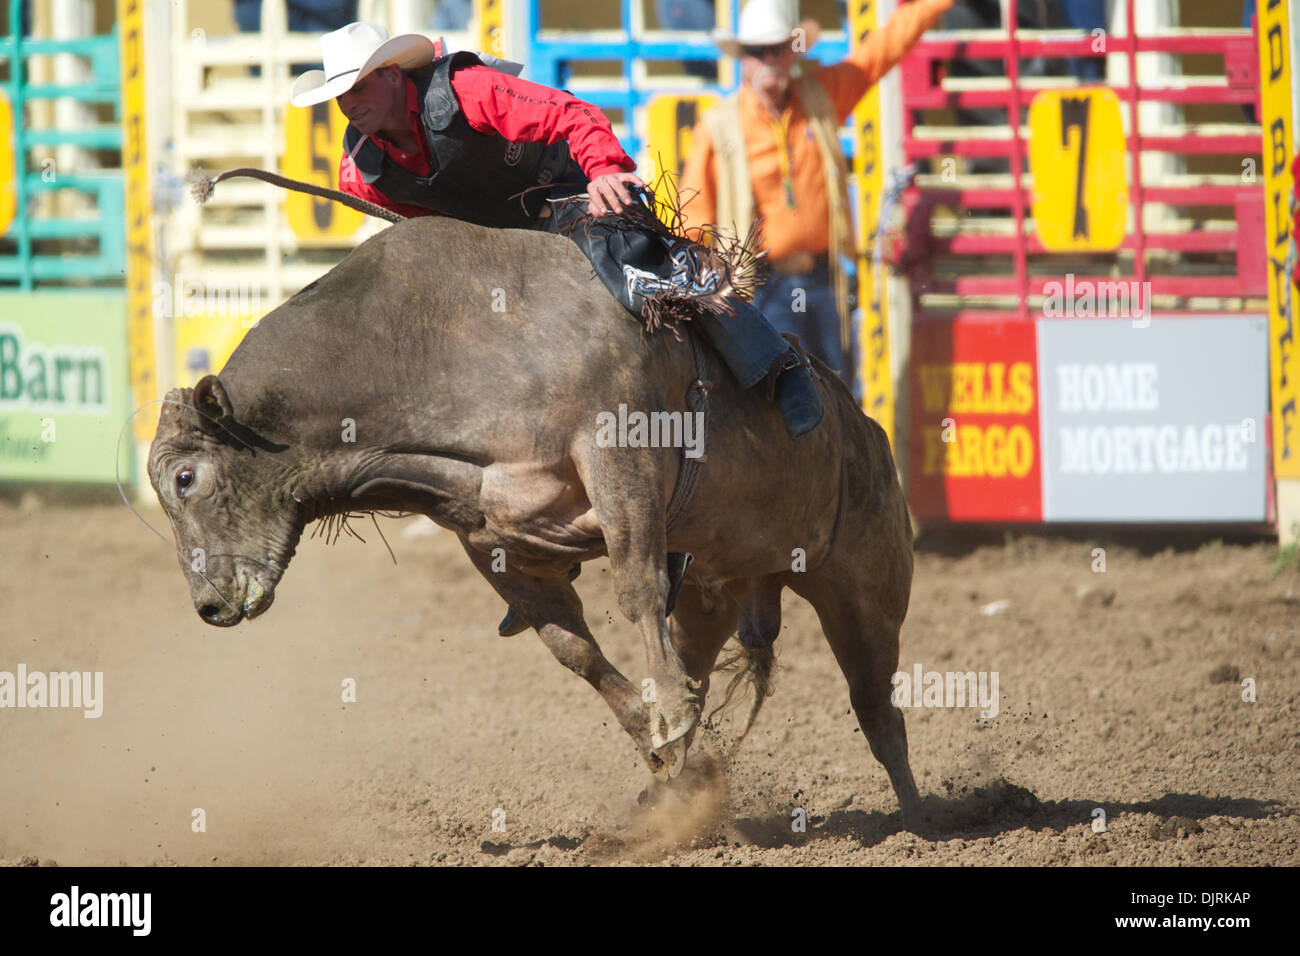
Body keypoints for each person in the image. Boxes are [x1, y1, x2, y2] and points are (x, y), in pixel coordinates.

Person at [289, 21, 821, 633]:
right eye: (340, 96)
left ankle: (776, 367)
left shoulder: (466, 90)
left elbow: (571, 112)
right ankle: (530, 554)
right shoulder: (361, 172)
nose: (349, 105)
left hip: (572, 200)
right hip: (500, 255)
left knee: (649, 279)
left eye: (357, 88)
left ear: (390, 76)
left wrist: (602, 172)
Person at [680, 0, 951, 396]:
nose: (768, 60)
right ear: (743, 59)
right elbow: (693, 219)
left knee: (839, 391)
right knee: (773, 400)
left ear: (792, 53)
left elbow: (882, 51)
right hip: (760, 286)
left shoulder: (821, 96)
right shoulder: (719, 126)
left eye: (776, 49)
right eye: (758, 52)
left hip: (823, 279)